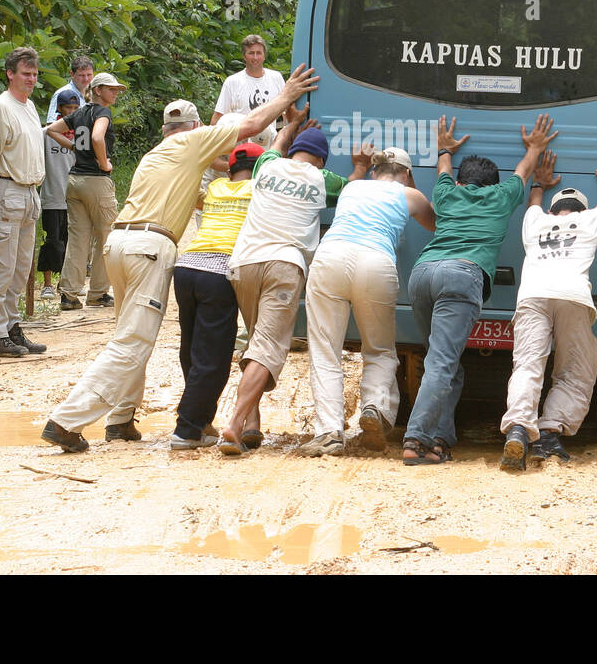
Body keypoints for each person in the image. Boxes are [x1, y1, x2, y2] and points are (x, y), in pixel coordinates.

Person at [40, 66, 320, 452]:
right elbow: (252, 123)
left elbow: (215, 190)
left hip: (120, 243)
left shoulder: (158, 154)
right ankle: (66, 421)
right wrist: (287, 95)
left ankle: (121, 420)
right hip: (149, 249)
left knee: (128, 333)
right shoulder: (193, 143)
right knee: (133, 342)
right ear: (197, 127)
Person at [401, 114, 558, 465]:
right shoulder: (502, 196)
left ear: (460, 182)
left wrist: (445, 145)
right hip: (461, 276)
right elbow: (524, 169)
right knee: (442, 363)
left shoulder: (446, 194)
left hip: (423, 273)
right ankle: (416, 439)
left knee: (443, 363)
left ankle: (440, 439)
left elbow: (443, 168)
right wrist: (534, 146)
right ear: (492, 184)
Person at [218, 119, 372, 456]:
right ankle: (233, 423)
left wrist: (291, 124)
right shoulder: (322, 179)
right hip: (283, 266)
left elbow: (276, 143)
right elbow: (352, 187)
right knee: (268, 346)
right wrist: (360, 166)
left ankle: (251, 424)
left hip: (243, 263)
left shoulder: (267, 165)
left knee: (258, 341)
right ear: (320, 160)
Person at [299, 147, 436, 457]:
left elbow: (355, 179)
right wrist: (413, 187)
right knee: (380, 348)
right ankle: (374, 406)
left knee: (325, 349)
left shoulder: (352, 187)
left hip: (331, 256)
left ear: (376, 171)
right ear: (406, 174)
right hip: (376, 262)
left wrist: (359, 167)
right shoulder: (409, 194)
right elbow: (434, 223)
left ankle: (329, 432)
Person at [499, 148, 597, 471]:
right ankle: (550, 433)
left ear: (554, 211)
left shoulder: (535, 221)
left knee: (527, 365)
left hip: (532, 297)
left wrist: (539, 183)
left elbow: (533, 202)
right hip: (572, 298)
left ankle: (517, 428)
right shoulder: (589, 220)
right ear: (579, 211)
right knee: (576, 370)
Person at [169, 141, 264, 449]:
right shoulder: (259, 192)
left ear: (231, 168)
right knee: (214, 357)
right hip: (220, 272)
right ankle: (187, 430)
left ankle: (200, 420)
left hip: (186, 268)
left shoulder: (217, 189)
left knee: (193, 350)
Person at [0, 46, 49, 357]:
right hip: (5, 191)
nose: (31, 79)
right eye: (25, 73)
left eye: (34, 74)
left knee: (20, 269)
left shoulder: (28, 106)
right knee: (1, 267)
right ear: (10, 74)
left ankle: (10, 327)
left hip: (30, 193)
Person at [45, 72, 127, 311]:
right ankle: (99, 293)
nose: (115, 93)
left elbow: (52, 130)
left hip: (74, 180)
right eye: (111, 89)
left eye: (117, 89)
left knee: (78, 238)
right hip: (96, 180)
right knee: (106, 237)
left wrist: (76, 149)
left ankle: (69, 294)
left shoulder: (79, 112)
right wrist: (103, 162)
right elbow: (98, 137)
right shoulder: (102, 112)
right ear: (98, 90)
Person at [38, 89, 80, 298]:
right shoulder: (45, 134)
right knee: (52, 241)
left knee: (71, 243)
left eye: (75, 108)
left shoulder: (81, 134)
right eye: (67, 108)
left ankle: (65, 284)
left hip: (73, 197)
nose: (71, 112)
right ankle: (47, 284)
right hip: (51, 196)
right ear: (59, 109)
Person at [210, 34, 284, 141]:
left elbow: (287, 112)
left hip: (268, 144)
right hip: (240, 147)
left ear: (264, 56)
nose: (255, 57)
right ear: (244, 56)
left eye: (259, 53)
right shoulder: (232, 82)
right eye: (251, 53)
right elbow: (218, 118)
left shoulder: (276, 78)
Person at [46, 55, 95, 123]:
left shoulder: (94, 94)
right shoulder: (61, 93)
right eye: (81, 75)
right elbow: (50, 126)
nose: (86, 79)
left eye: (89, 75)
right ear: (72, 74)